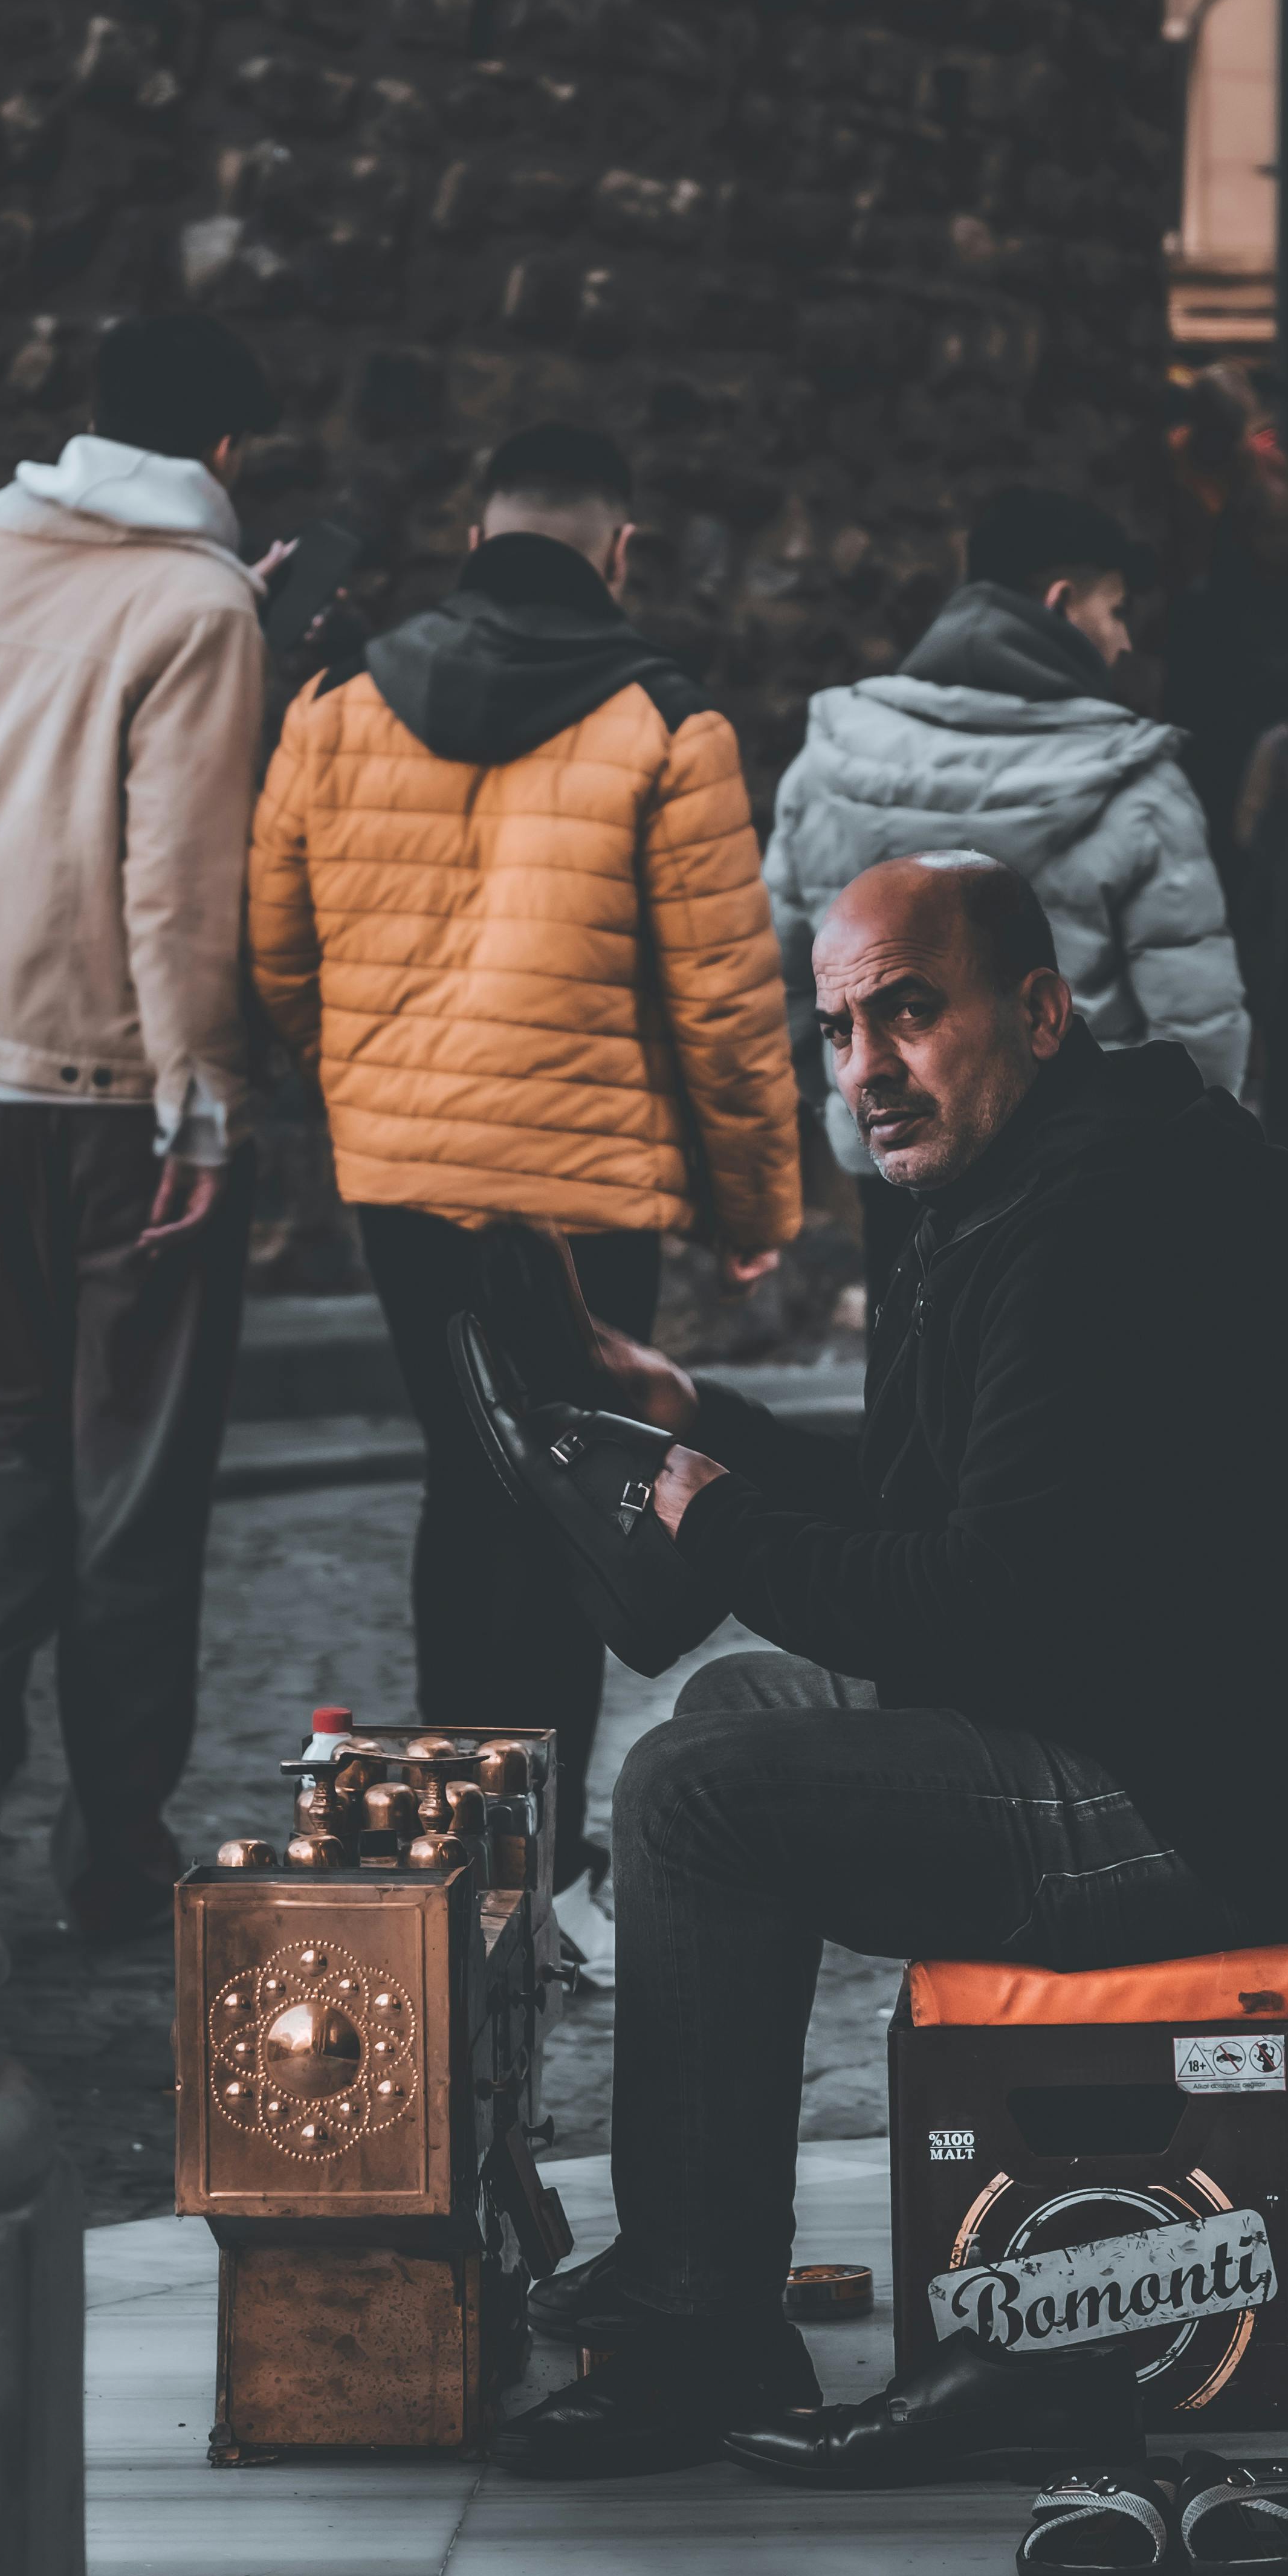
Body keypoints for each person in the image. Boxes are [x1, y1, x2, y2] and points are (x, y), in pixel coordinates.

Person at [493, 848, 1288, 2477]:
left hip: (1183, 1801)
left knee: (691, 1793)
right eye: (837, 1031)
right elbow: (931, 1513)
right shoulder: (1015, 1184)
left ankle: (695, 2329)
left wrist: (728, 1529)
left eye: (908, 1012)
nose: (868, 1069)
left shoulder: (1092, 1221)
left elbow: (973, 1601)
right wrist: (710, 1427)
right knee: (732, 1712)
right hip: (1119, 1721)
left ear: (1036, 1011)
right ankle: (695, 2249)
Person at [247, 421, 801, 1895]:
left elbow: (277, 947)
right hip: (585, 1183)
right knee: (568, 1482)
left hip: (405, 1175)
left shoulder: (339, 703)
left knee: (458, 1469)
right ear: (618, 548)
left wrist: (363, 1084)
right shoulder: (669, 725)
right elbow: (725, 1002)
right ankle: (541, 1860)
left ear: (479, 539)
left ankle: (455, 1833)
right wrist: (754, 1200)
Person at [0, 309, 279, 1936]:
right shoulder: (201, 607)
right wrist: (202, 1112)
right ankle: (118, 1848)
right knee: (133, 1478)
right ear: (224, 453)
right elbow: (175, 883)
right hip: (110, 1095)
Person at [765, 485, 1250, 1316]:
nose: (1125, 638)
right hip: (1089, 1185)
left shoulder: (830, 760)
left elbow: (777, 975)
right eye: (1116, 609)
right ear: (1062, 603)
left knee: (909, 1413)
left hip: (897, 1154)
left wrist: (840, 1107)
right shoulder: (1134, 777)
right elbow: (1193, 1026)